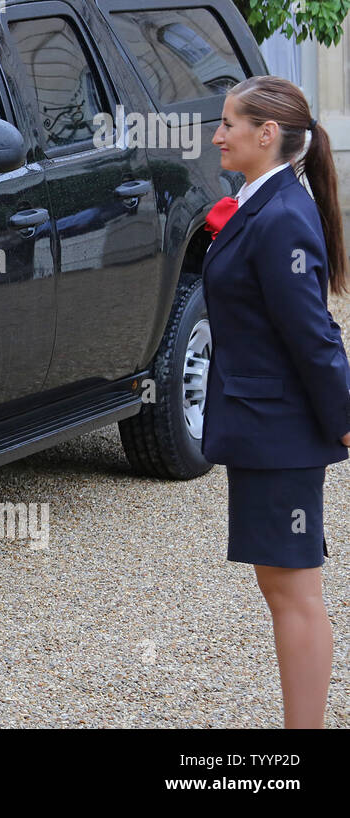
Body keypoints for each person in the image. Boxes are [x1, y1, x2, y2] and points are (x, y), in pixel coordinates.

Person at [202, 74, 350, 729]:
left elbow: (313, 333)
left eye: (229, 123)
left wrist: (344, 418)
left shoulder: (283, 214)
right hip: (264, 426)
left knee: (295, 592)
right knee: (280, 586)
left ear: (267, 134)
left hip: (281, 430)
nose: (217, 135)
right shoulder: (264, 200)